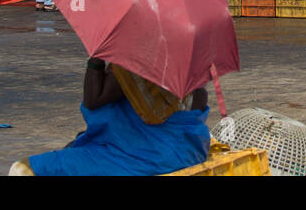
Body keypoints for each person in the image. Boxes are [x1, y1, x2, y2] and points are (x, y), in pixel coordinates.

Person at [14, 60, 211, 176]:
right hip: (187, 151)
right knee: (77, 144)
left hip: (146, 155)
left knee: (24, 168)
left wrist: (97, 58)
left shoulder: (136, 62)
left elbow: (93, 100)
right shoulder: (192, 61)